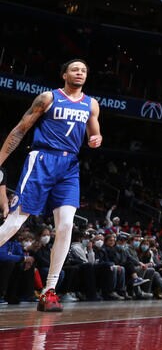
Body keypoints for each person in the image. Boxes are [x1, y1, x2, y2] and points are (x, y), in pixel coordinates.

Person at [0, 59, 102, 312]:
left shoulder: (91, 104)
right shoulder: (48, 98)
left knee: (67, 225)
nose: (80, 73)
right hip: (43, 159)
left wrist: (95, 138)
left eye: (84, 70)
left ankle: (49, 291)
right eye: (75, 69)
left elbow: (94, 132)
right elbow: (20, 129)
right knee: (15, 221)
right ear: (64, 74)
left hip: (69, 167)